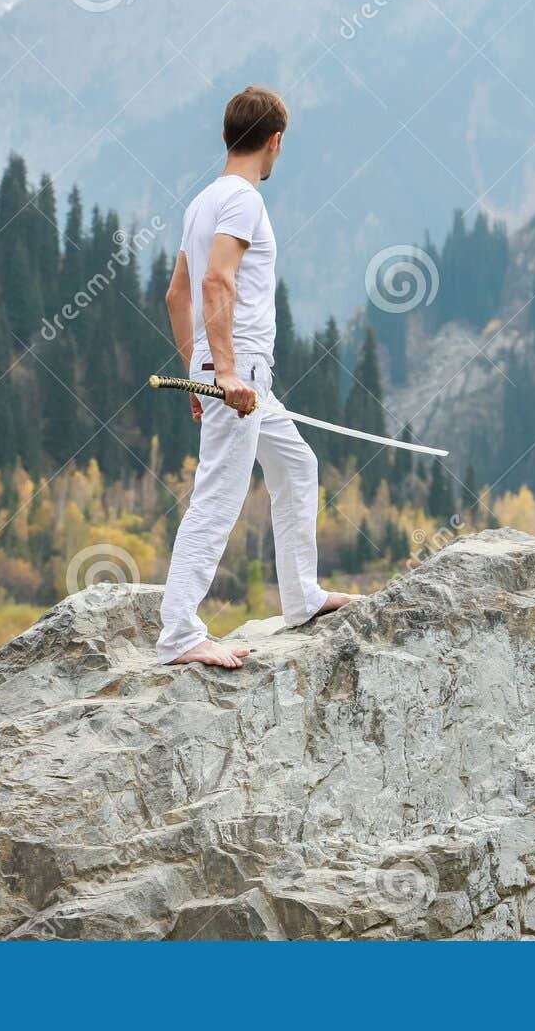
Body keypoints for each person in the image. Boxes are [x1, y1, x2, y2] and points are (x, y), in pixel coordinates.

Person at [157, 86, 355, 668]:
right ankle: (179, 635)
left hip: (232, 371)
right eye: (280, 146)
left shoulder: (201, 203)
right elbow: (217, 283)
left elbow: (177, 295)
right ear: (273, 142)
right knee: (219, 493)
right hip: (238, 369)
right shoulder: (244, 201)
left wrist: (196, 368)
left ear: (226, 136)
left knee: (297, 465)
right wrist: (222, 371)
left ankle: (301, 597)